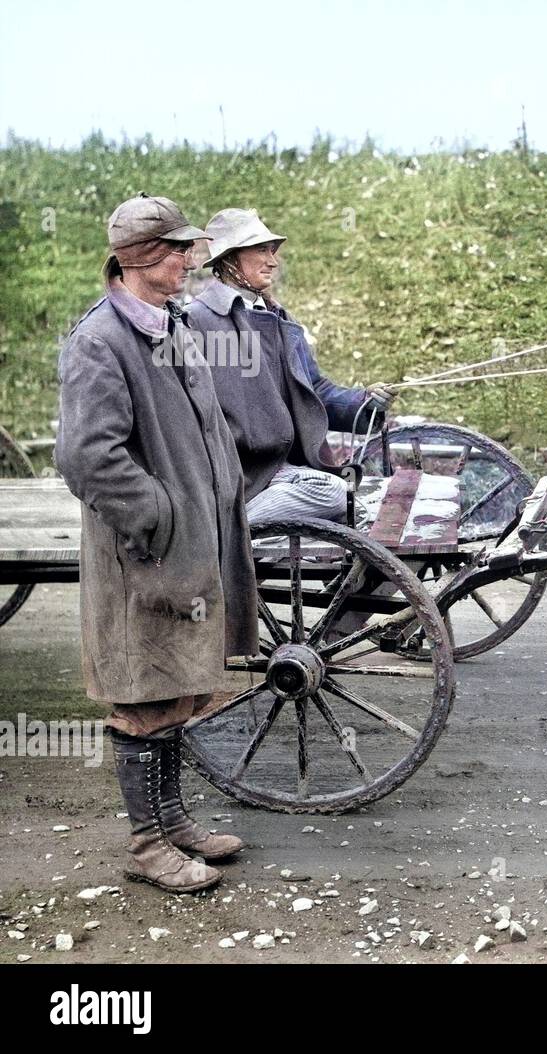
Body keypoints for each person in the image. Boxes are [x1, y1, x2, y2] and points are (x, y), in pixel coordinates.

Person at [56, 194, 258, 892]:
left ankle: (173, 823)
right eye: (178, 249)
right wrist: (162, 514)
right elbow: (88, 457)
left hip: (188, 545)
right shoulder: (99, 341)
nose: (189, 258)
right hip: (142, 554)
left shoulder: (172, 323)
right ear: (141, 257)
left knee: (178, 688)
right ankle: (149, 848)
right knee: (143, 698)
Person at [186, 208, 397, 524]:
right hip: (244, 476)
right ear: (229, 259)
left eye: (271, 250)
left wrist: (363, 402)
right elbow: (190, 419)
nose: (272, 261)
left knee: (346, 496)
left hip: (287, 470)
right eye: (261, 250)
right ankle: (233, 527)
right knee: (338, 495)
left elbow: (315, 391)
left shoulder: (278, 318)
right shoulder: (198, 323)